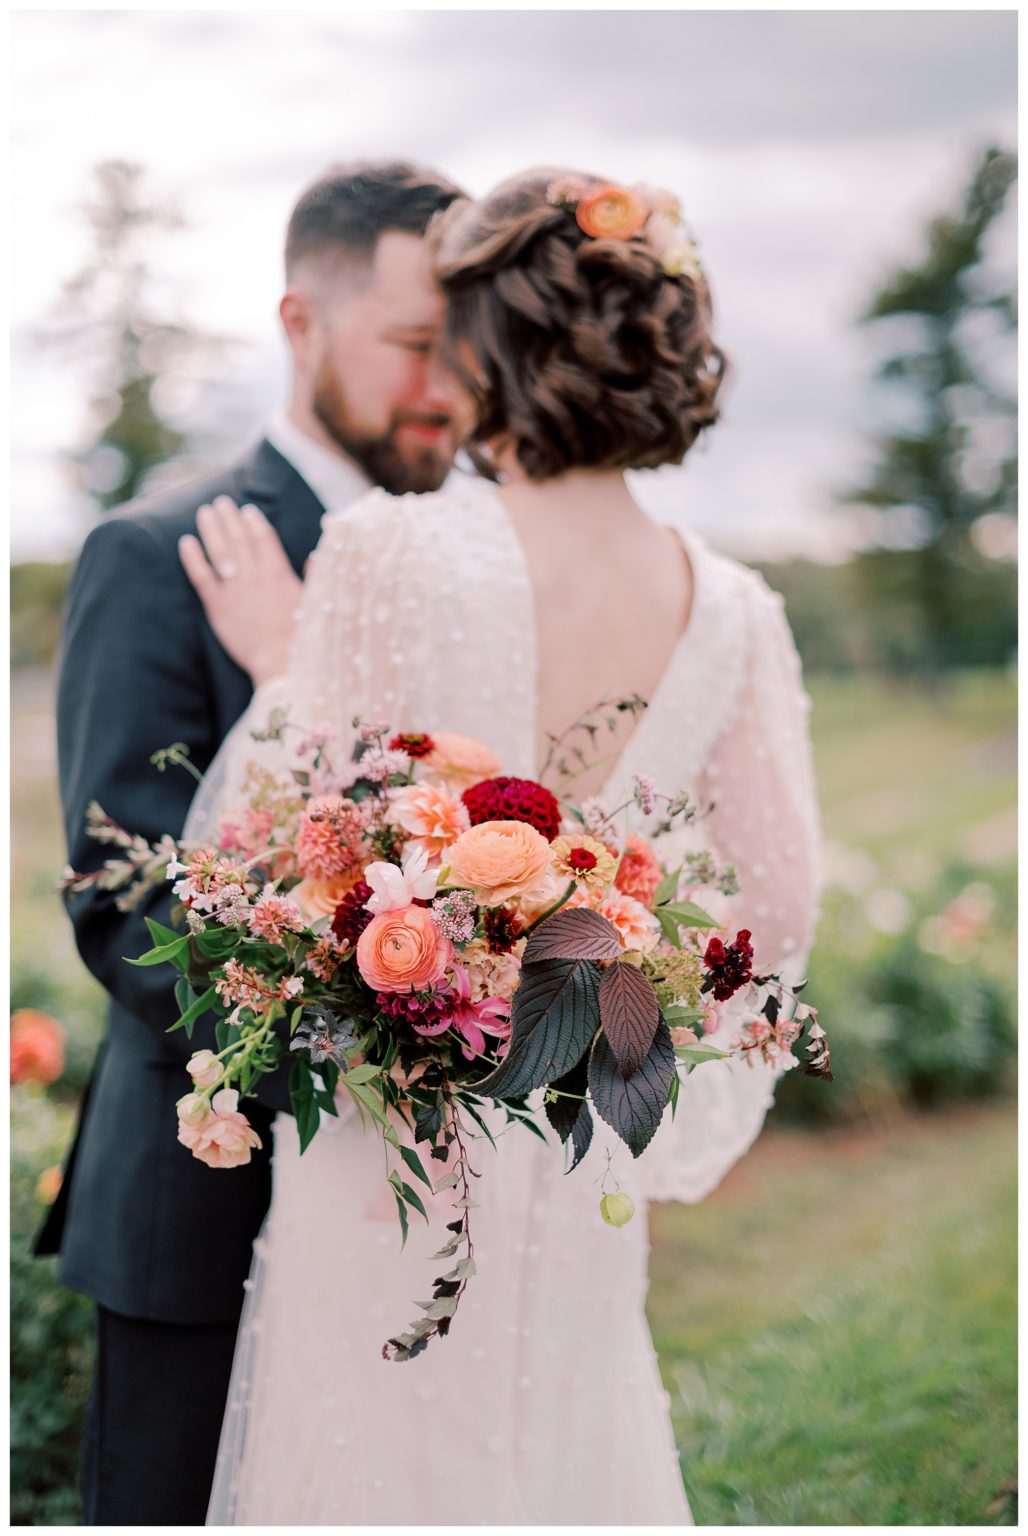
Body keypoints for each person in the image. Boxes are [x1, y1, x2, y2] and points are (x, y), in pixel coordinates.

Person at [179, 167, 823, 1524]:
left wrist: (284, 666)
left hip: (388, 1152)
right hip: (582, 1133)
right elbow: (774, 908)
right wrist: (638, 1088)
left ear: (486, 341)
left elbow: (295, 844)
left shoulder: (387, 557)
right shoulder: (735, 610)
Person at [41, 158, 466, 1526]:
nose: (448, 384)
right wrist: (381, 1025)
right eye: (414, 344)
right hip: (205, 1212)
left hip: (429, 1215)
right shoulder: (156, 552)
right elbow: (126, 907)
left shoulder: (474, 574)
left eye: (470, 346)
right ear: (301, 324)